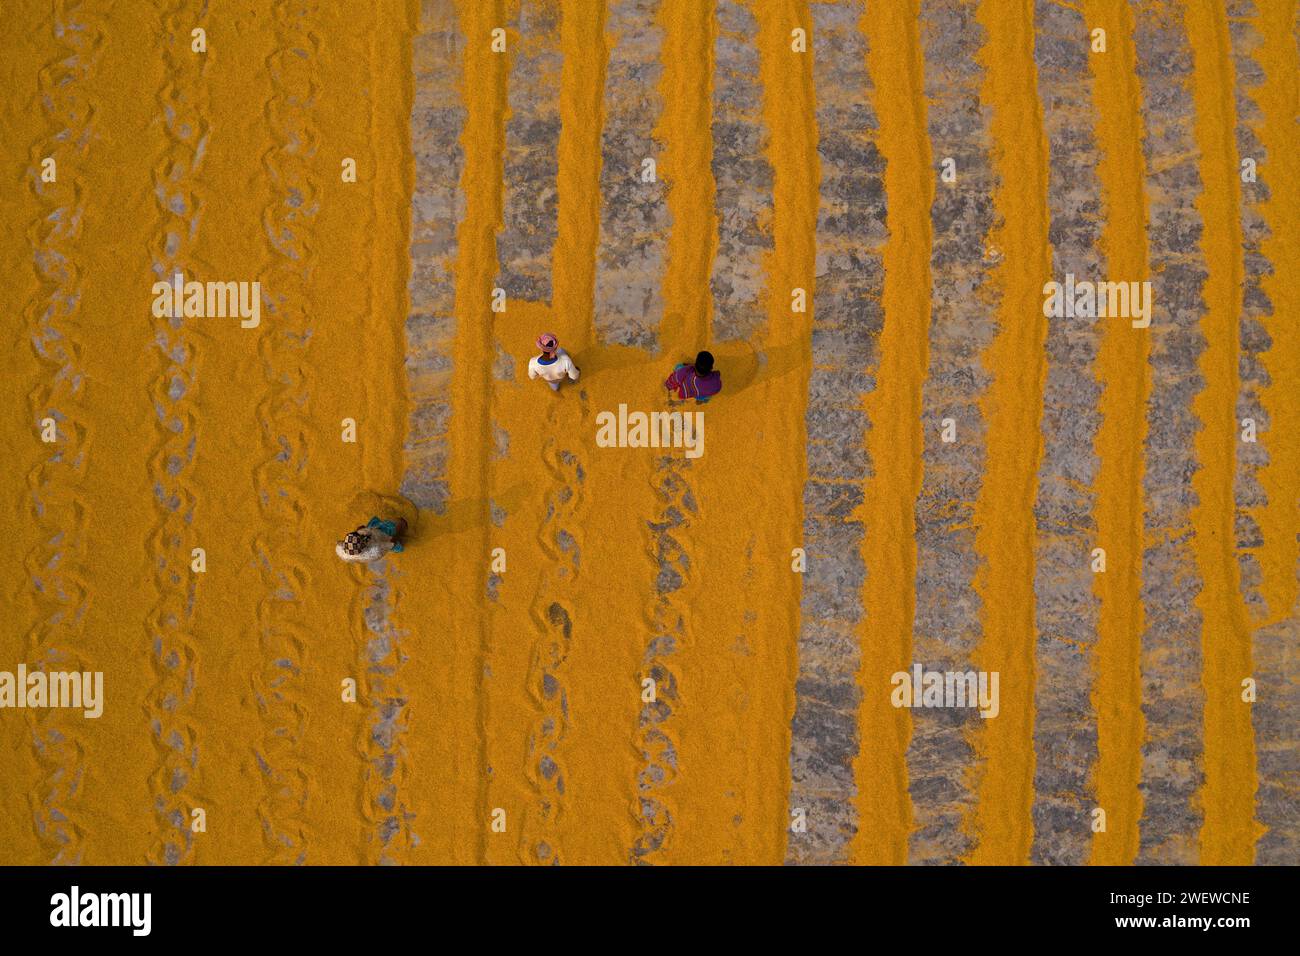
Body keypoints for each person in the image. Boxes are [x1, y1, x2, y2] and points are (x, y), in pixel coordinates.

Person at [336, 517, 408, 563]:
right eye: (359, 535)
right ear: (364, 542)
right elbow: (392, 543)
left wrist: (359, 530)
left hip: (372, 536)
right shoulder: (377, 548)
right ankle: (402, 529)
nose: (358, 531)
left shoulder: (346, 551)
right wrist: (396, 534)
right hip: (383, 538)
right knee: (401, 523)